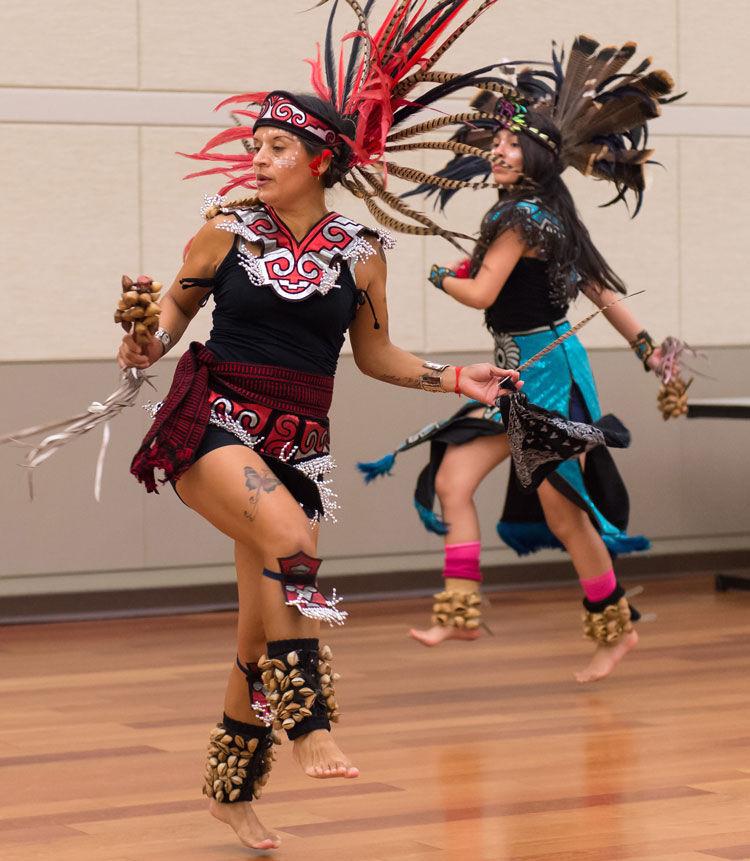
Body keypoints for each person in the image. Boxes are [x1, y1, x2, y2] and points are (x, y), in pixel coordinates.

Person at [118, 1, 523, 850]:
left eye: (274, 147)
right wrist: (137, 335)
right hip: (210, 425)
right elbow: (161, 333)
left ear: (320, 160)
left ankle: (230, 788)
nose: (254, 157)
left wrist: (456, 376)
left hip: (297, 443)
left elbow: (373, 355)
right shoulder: (222, 233)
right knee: (292, 535)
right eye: (254, 145)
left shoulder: (359, 249)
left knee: (257, 626)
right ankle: (313, 726)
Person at [358, 36, 682, 684]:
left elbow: (480, 291)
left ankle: (614, 626)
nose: (497, 152)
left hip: (546, 377)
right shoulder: (548, 217)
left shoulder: (517, 219)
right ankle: (461, 608)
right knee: (455, 479)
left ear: (536, 152)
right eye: (495, 144)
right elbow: (604, 294)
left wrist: (439, 276)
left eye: (510, 144)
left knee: (565, 511)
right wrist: (652, 353)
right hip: (514, 373)